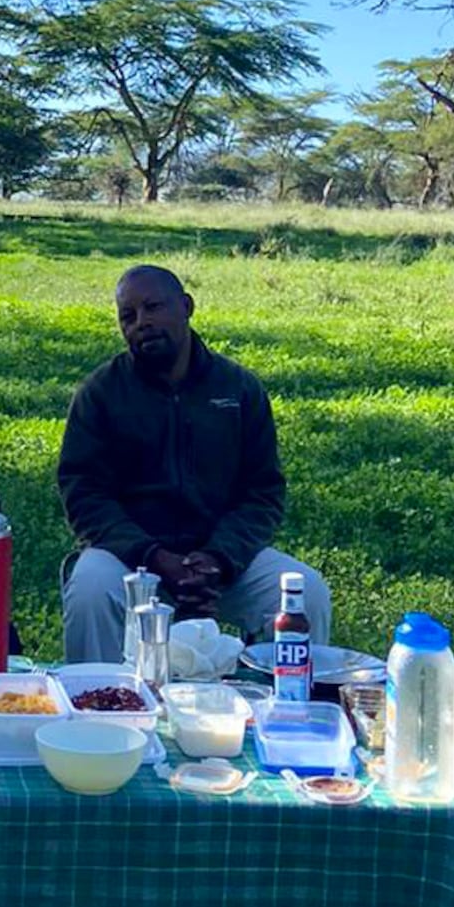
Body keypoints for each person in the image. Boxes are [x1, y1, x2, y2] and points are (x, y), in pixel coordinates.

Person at [57, 263, 330, 663]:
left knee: (308, 592)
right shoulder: (101, 393)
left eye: (153, 307)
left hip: (222, 561)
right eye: (128, 316)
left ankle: (290, 697)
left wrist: (217, 558)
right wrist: (153, 556)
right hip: (131, 560)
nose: (142, 323)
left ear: (186, 306)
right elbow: (84, 494)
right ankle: (92, 697)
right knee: (90, 589)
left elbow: (263, 493)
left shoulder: (239, 389)